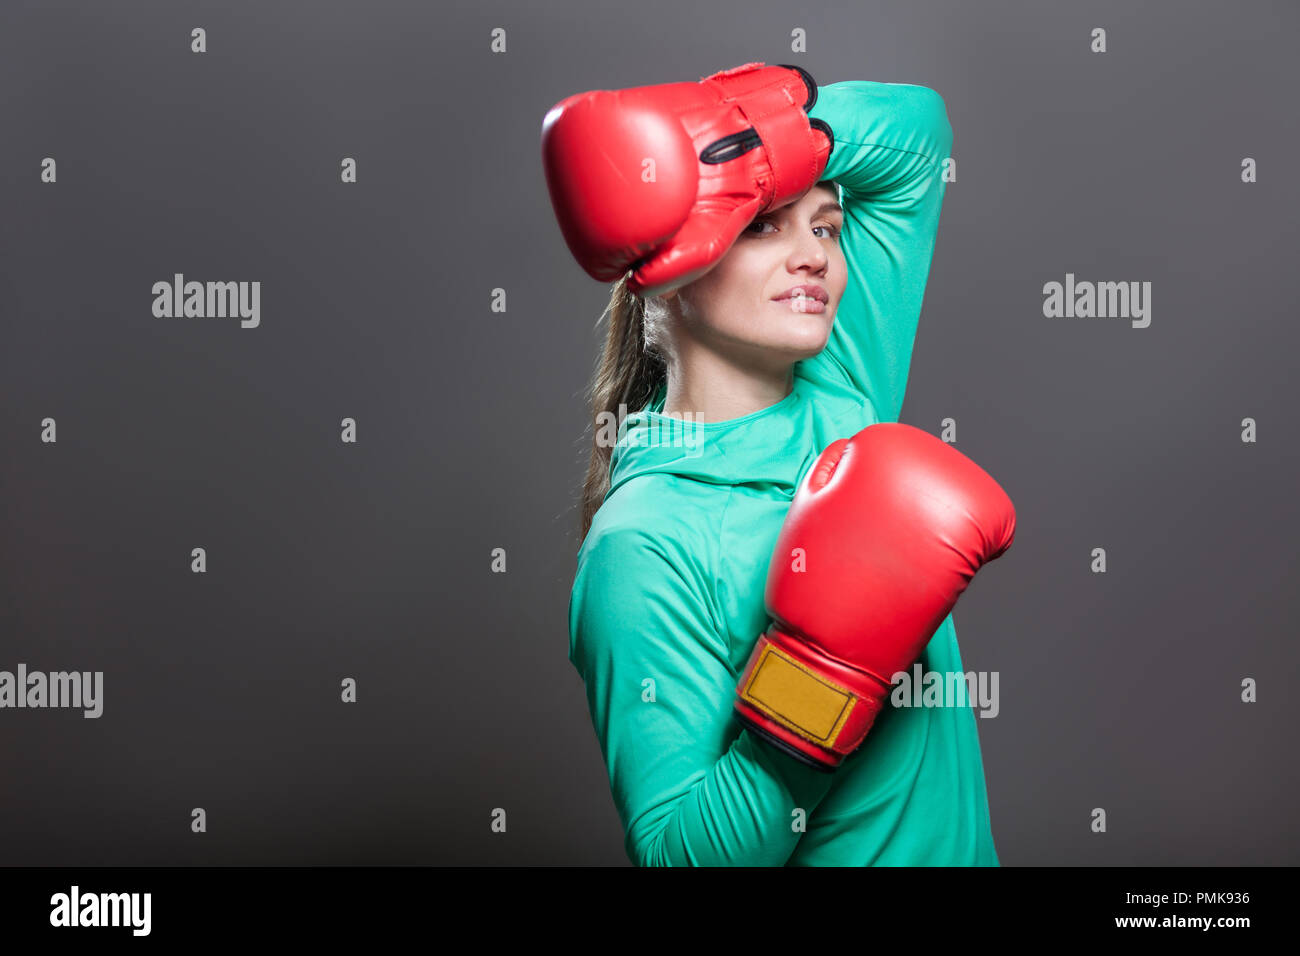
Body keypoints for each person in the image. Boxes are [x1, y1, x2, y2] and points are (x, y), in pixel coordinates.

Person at [549, 63, 1006, 865]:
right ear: (668, 272)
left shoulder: (841, 386)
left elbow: (916, 133)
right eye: (763, 226)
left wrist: (735, 137)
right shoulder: (641, 545)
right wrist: (821, 680)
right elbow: (677, 854)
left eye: (826, 227)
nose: (814, 258)